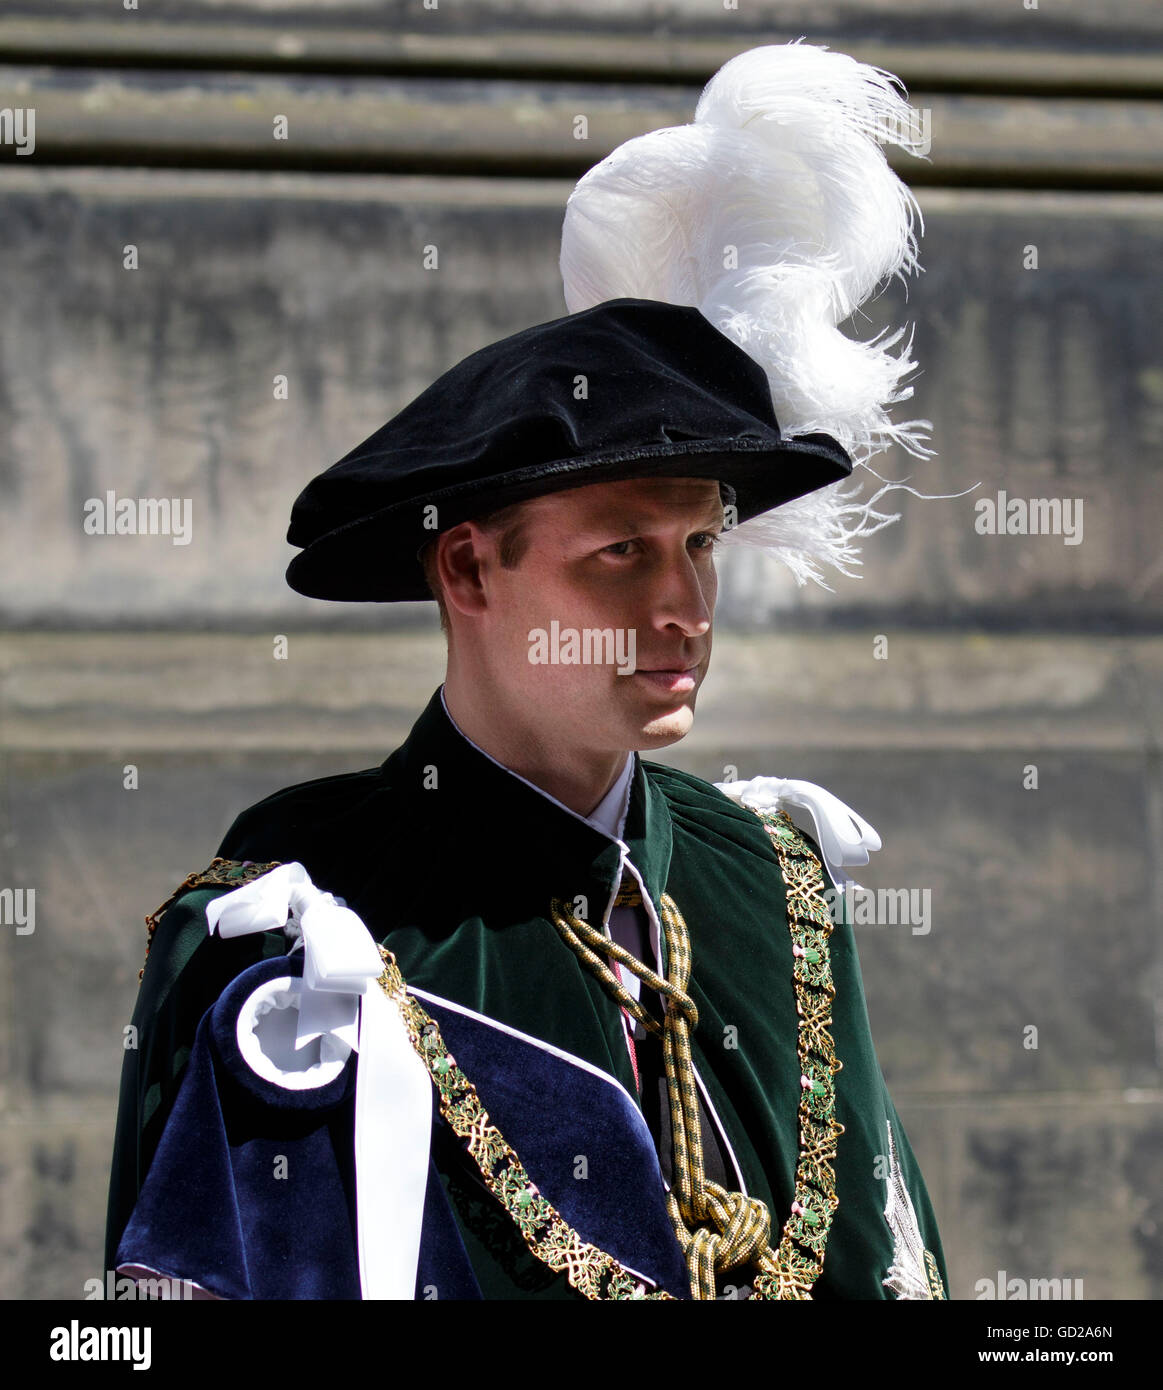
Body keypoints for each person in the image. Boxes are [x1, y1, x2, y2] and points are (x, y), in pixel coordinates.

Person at [104, 42, 949, 1302]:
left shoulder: (769, 882)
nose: (682, 607)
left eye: (699, 545)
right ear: (467, 573)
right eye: (619, 554)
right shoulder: (298, 930)